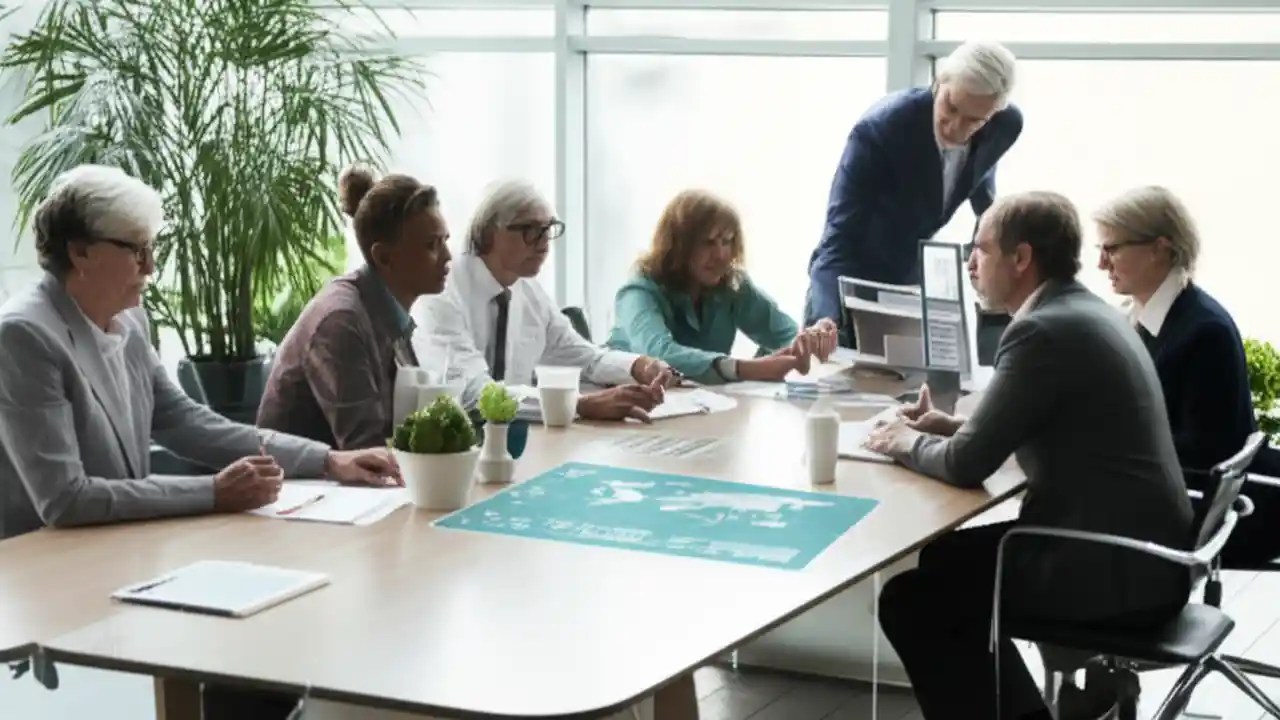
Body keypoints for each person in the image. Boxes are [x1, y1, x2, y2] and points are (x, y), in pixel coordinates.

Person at [864, 191, 1193, 720]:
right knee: (943, 562)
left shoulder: (1040, 330)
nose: (971, 263)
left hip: (1108, 567)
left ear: (1021, 259)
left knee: (911, 602)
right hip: (1148, 553)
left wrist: (902, 441)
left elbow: (965, 465)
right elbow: (1043, 426)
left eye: (982, 250)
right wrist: (953, 426)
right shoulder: (1084, 311)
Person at [0, 165, 400, 541]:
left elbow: (187, 423)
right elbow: (65, 499)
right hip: (43, 565)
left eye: (150, 248)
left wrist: (328, 461)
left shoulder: (131, 318)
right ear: (80, 253)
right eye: (135, 250)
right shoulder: (24, 336)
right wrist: (213, 492)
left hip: (119, 546)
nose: (150, 267)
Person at [1095, 185, 1280, 567]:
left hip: (1211, 513)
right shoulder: (1147, 317)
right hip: (1184, 498)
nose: (1101, 263)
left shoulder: (1202, 331)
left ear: (1159, 249)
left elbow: (1208, 451)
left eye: (1111, 249)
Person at [804, 40, 1023, 346]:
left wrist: (983, 246)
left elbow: (982, 176)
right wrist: (825, 318)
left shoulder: (1006, 126)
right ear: (939, 82)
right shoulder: (879, 132)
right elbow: (839, 238)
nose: (956, 128)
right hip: (847, 288)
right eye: (951, 107)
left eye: (974, 120)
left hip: (910, 287)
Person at [412, 179, 678, 423]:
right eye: (529, 230)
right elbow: (472, 393)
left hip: (521, 439)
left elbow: (584, 358)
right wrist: (579, 405)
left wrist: (638, 366)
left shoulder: (529, 291)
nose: (543, 244)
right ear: (489, 232)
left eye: (547, 229)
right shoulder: (441, 291)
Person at [257, 167, 451, 450]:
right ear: (384, 257)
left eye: (445, 240)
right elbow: (366, 450)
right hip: (304, 490)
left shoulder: (387, 310)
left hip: (352, 486)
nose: (447, 256)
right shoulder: (341, 322)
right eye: (432, 245)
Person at [606, 189, 838, 384]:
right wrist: (745, 368)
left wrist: (809, 340)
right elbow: (659, 354)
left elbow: (783, 332)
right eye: (708, 242)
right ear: (678, 246)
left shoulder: (732, 286)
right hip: (623, 412)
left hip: (698, 407)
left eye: (727, 241)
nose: (720, 255)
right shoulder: (639, 291)